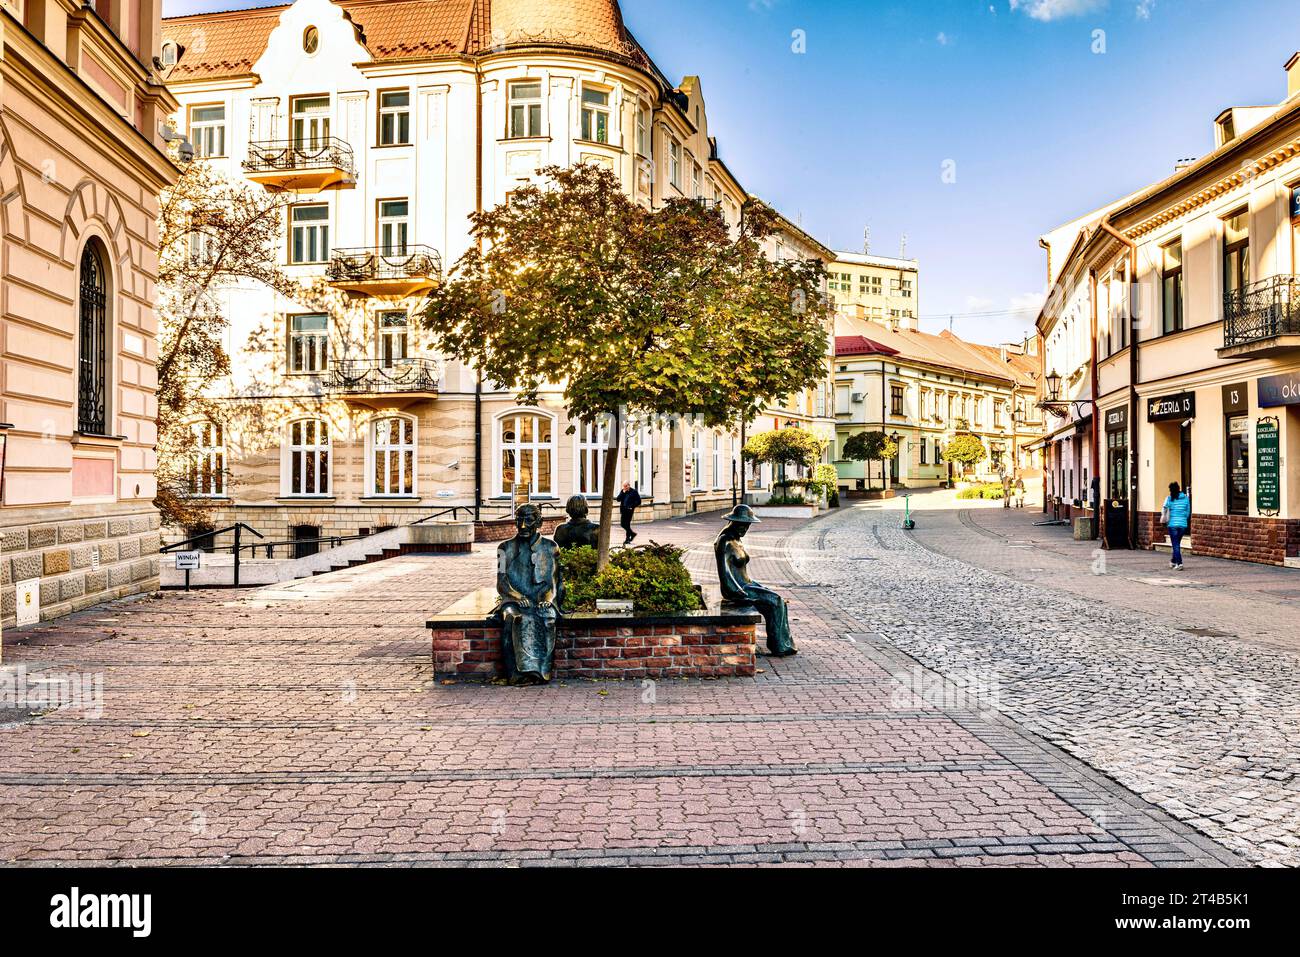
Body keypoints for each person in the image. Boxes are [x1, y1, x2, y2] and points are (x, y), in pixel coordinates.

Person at [493, 505, 563, 684]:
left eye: (529, 520)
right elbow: (501, 582)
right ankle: (516, 674)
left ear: (539, 522)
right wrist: (517, 597)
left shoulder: (551, 547)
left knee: (548, 616)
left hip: (541, 598)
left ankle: (540, 671)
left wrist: (547, 599)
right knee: (512, 617)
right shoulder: (504, 548)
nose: (523, 525)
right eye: (519, 520)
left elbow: (553, 581)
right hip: (513, 599)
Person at [714, 504, 796, 657]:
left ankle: (783, 643)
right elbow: (725, 573)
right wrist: (737, 591)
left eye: (747, 526)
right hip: (738, 589)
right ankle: (779, 646)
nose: (745, 529)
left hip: (747, 583)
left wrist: (755, 585)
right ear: (733, 522)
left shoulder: (736, 538)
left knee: (780, 602)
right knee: (775, 601)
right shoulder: (724, 541)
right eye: (742, 525)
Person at [1162, 481, 1192, 571]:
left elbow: (1164, 510)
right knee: (1177, 544)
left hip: (1173, 524)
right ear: (1179, 489)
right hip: (1183, 525)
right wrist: (1183, 519)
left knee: (1175, 545)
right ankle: (1173, 561)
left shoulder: (1169, 499)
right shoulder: (1186, 498)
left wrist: (1164, 518)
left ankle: (1179, 563)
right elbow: (1188, 512)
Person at [615, 481, 641, 545]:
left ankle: (627, 539)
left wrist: (632, 506)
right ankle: (632, 534)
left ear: (629, 485)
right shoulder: (623, 491)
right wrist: (622, 493)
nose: (625, 487)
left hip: (629, 510)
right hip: (623, 510)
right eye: (624, 486)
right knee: (622, 524)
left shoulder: (634, 492)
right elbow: (618, 499)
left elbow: (639, 501)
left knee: (627, 524)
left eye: (626, 486)